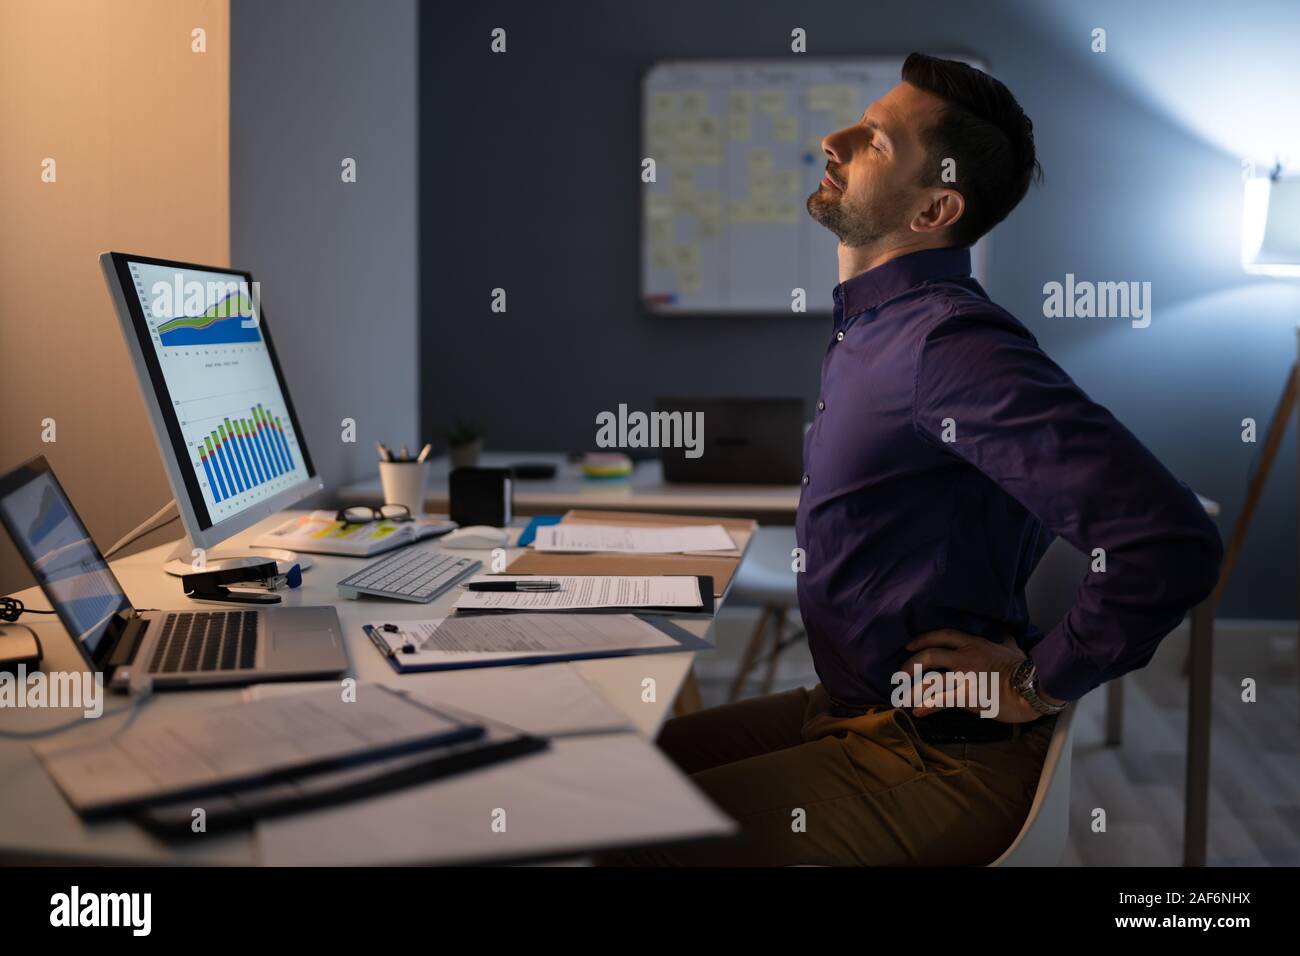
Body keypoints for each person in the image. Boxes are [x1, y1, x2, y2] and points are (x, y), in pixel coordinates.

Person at [612, 52, 1222, 866]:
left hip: (934, 753)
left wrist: (1039, 679)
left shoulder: (947, 345)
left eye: (872, 139)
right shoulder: (873, 328)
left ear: (935, 207)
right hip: (848, 709)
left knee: (616, 838)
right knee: (597, 783)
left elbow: (1170, 539)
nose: (833, 140)